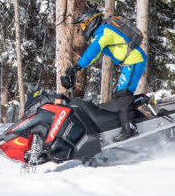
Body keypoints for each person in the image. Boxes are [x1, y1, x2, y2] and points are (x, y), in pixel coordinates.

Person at [60, 9, 147, 141]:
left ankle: (129, 129)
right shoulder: (104, 31)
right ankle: (133, 120)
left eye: (83, 25)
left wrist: (77, 66)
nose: (83, 29)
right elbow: (95, 55)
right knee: (122, 93)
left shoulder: (104, 30)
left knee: (123, 93)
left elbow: (93, 50)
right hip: (132, 61)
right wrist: (78, 68)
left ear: (90, 22)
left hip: (135, 60)